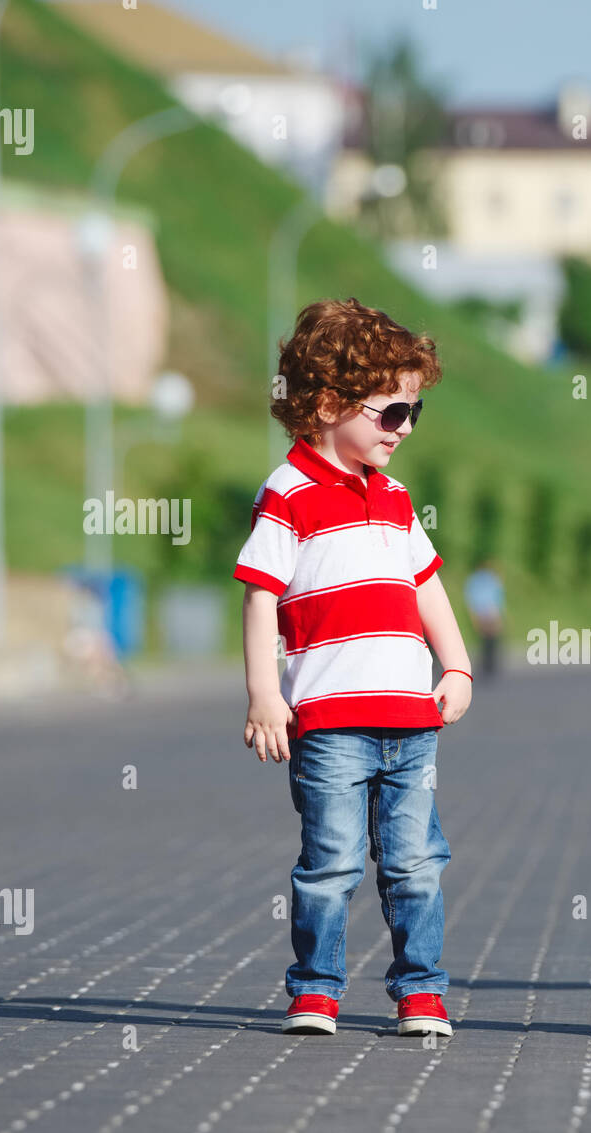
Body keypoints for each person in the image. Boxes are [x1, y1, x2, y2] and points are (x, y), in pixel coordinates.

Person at [234, 298, 473, 1039]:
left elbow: (426, 585)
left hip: (410, 719)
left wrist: (458, 664)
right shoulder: (289, 493)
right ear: (330, 403)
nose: (403, 429)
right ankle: (316, 990)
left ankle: (422, 992)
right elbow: (260, 596)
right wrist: (264, 695)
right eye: (391, 413)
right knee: (330, 863)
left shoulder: (396, 499)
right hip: (330, 721)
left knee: (416, 864)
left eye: (414, 413)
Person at [463, 557, 505, 678]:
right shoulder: (488, 579)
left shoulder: (479, 580)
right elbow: (498, 598)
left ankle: (489, 665)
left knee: (489, 641)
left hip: (486, 613)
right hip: (488, 613)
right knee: (488, 641)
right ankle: (488, 665)